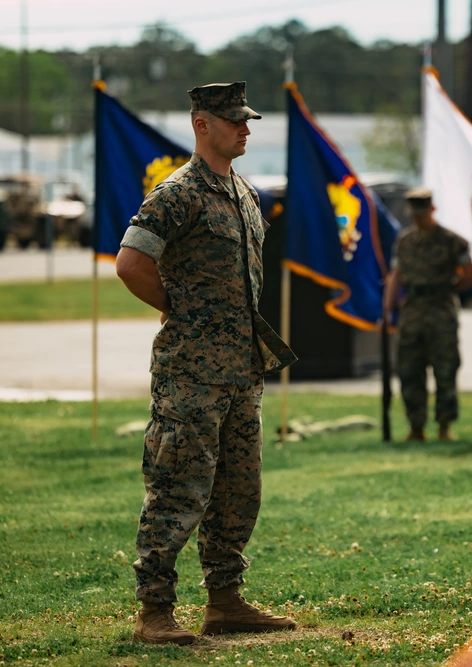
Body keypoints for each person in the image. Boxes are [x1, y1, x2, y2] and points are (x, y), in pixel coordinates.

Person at [116, 82, 298, 645]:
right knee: (178, 488)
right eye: (235, 120)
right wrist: (179, 309)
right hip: (191, 372)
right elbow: (130, 263)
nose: (246, 129)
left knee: (238, 490)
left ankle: (225, 602)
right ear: (202, 124)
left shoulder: (243, 192)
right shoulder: (178, 193)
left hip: (241, 370)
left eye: (248, 120)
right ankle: (155, 609)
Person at [383, 188, 472, 441]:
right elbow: (397, 275)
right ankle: (416, 426)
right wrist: (388, 304)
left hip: (441, 311)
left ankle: (445, 426)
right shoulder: (405, 241)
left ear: (432, 210)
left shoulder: (451, 240)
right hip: (412, 310)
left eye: (422, 213)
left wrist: (449, 288)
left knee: (445, 368)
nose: (418, 218)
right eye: (414, 214)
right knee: (410, 369)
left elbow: (470, 273)